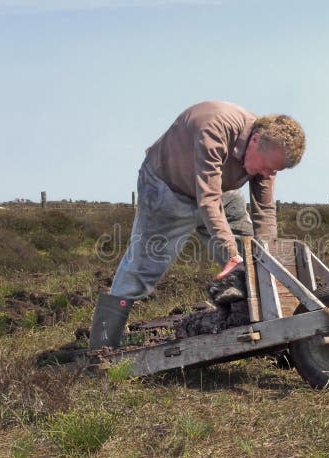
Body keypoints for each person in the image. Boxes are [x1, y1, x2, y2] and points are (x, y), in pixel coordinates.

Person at [89, 100, 306, 349]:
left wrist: (268, 257)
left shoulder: (269, 156)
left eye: (274, 171)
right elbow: (208, 200)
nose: (267, 175)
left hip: (216, 190)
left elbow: (265, 211)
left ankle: (260, 324)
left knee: (250, 252)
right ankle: (103, 343)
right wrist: (230, 254)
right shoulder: (216, 127)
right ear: (255, 140)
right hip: (167, 187)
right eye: (267, 167)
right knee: (144, 265)